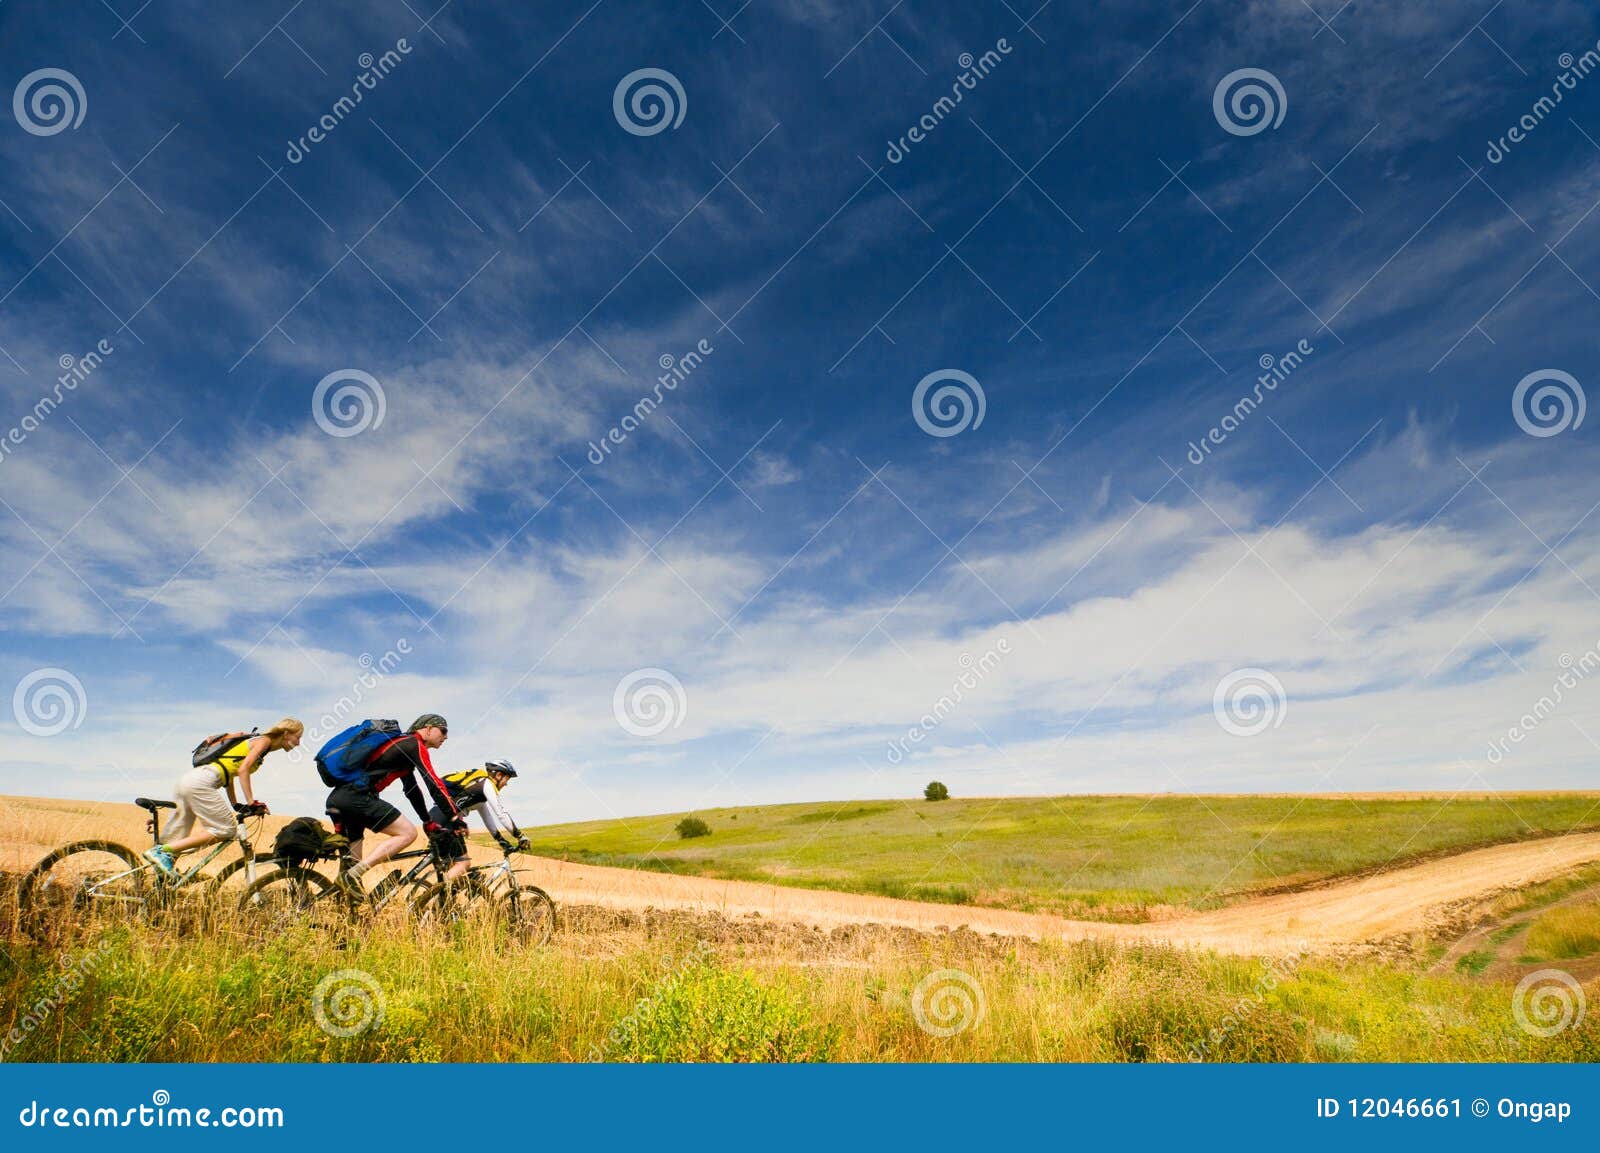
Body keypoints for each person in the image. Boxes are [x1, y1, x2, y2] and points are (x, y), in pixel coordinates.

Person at [142, 719, 304, 876]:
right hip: (201, 782)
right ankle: (161, 852)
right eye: (298, 737)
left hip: (190, 780)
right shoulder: (264, 741)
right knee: (225, 830)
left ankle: (160, 884)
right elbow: (243, 770)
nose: (298, 743)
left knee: (177, 836)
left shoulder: (260, 744)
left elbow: (229, 774)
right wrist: (251, 803)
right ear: (285, 733)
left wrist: (236, 805)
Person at [325, 713, 463, 895]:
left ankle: (340, 907)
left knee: (350, 871)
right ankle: (351, 876)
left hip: (341, 798)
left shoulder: (402, 747)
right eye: (443, 731)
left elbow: (412, 790)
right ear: (428, 729)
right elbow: (434, 783)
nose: (445, 737)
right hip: (357, 798)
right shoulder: (415, 744)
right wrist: (454, 816)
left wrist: (427, 820)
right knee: (408, 833)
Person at [432, 759, 531, 882]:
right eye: (507, 779)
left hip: (440, 818)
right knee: (464, 864)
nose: (506, 784)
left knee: (456, 866)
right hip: (446, 821)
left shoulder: (478, 791)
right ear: (499, 775)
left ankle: (444, 896)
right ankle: (436, 893)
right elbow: (501, 814)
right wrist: (520, 836)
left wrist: (500, 840)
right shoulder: (487, 785)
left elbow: (487, 818)